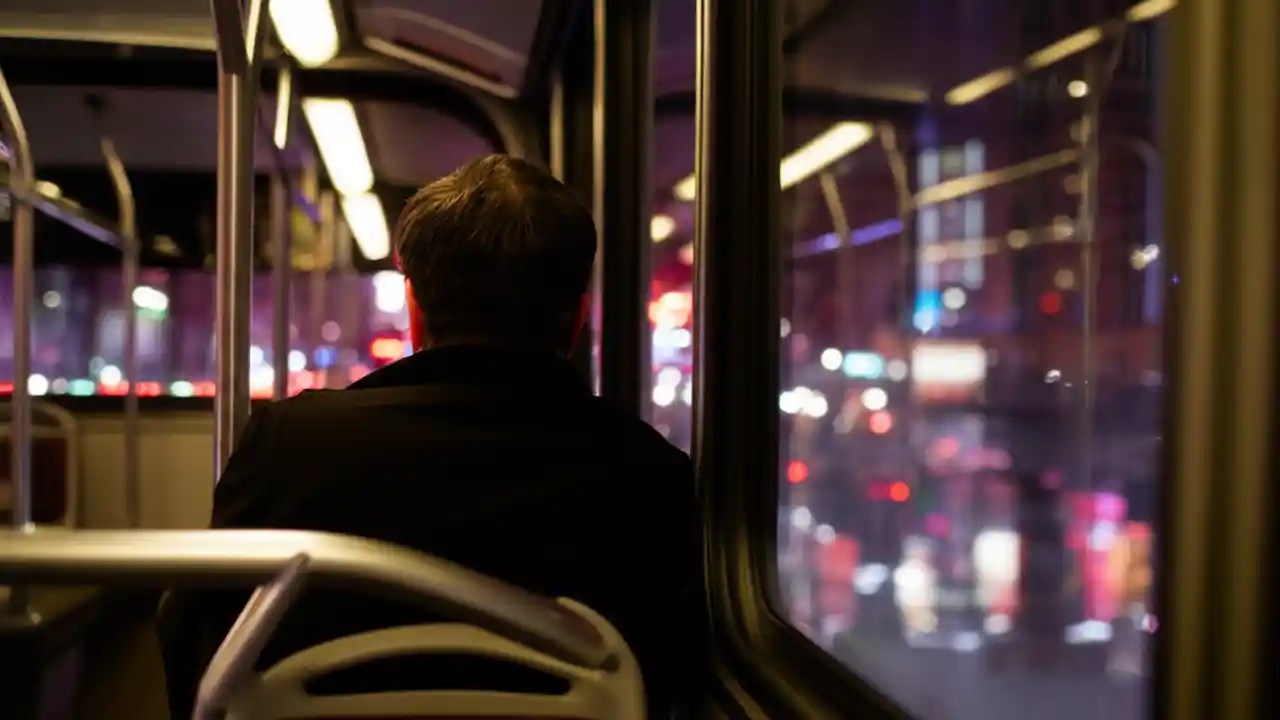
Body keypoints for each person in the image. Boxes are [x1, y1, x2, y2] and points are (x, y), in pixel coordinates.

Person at [158, 154, 705, 717]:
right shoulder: (649, 473)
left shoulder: (286, 443)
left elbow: (198, 628)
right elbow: (670, 671)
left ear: (415, 309)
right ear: (577, 318)